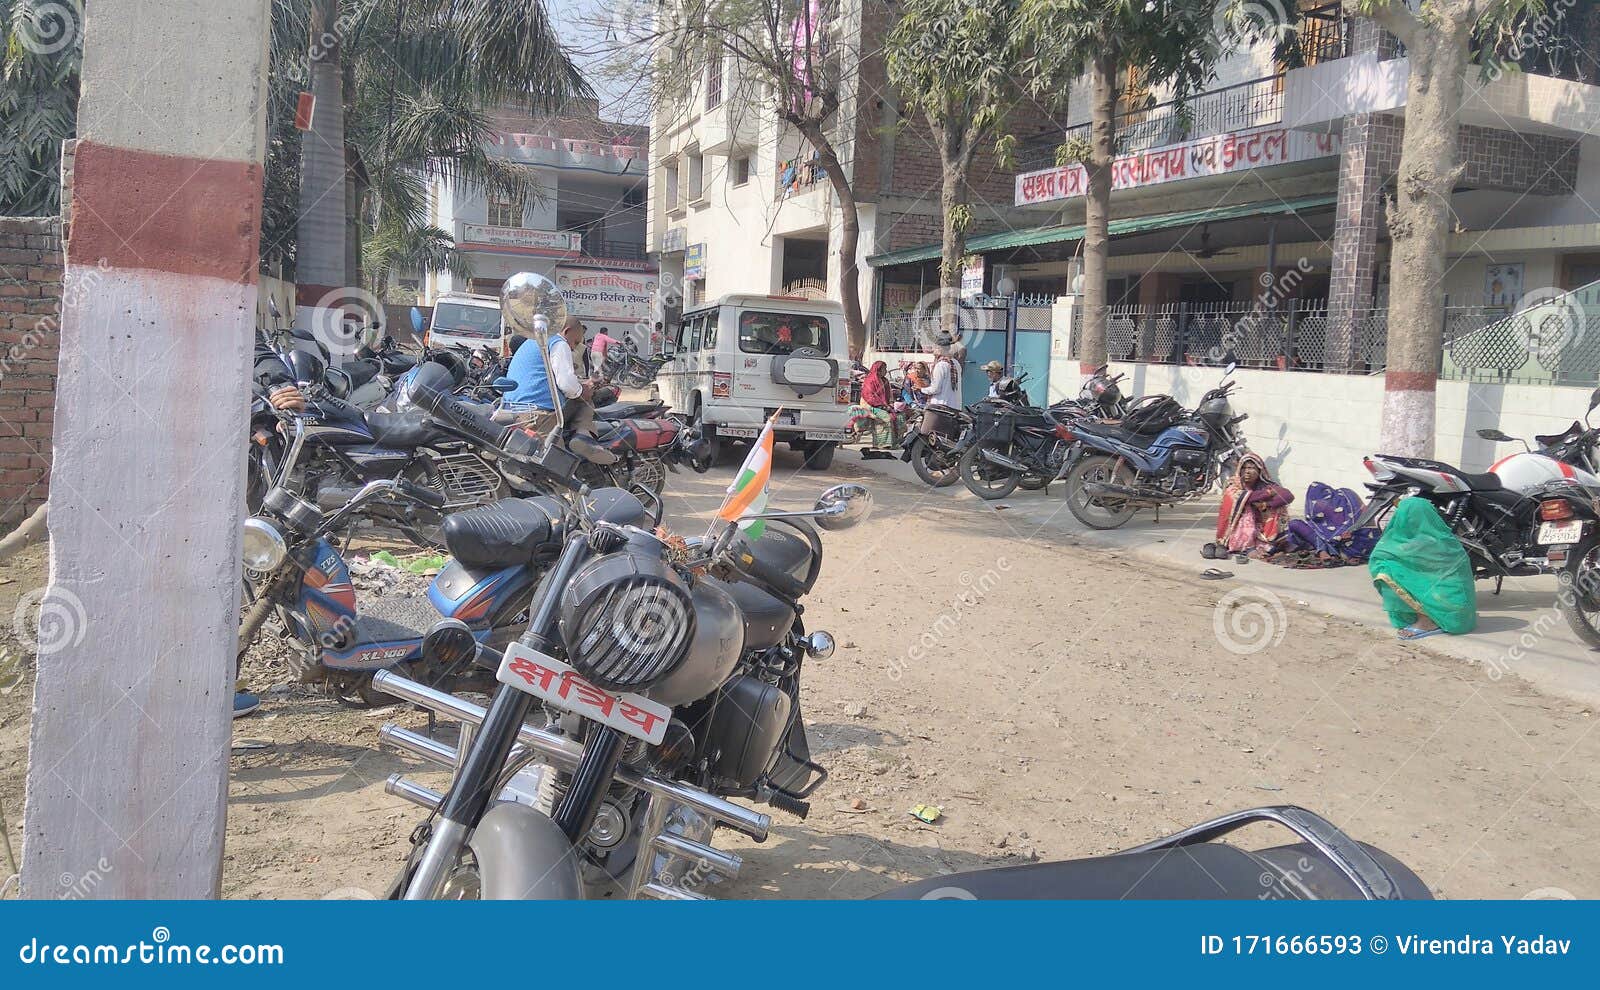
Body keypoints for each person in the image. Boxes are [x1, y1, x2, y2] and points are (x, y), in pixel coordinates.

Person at [502, 314, 593, 432]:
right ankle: (584, 437)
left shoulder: (533, 341)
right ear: (567, 331)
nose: (573, 348)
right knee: (585, 402)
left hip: (511, 411)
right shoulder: (559, 342)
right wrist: (583, 390)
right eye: (575, 342)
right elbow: (567, 385)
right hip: (536, 414)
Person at [1209, 454, 1293, 557]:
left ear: (1259, 470)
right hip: (1236, 528)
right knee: (1244, 504)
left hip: (1259, 524)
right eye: (1243, 468)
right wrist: (1266, 493)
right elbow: (1241, 497)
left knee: (1279, 506)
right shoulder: (1233, 483)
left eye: (1251, 468)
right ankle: (1246, 546)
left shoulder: (1264, 484)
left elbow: (1288, 495)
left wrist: (1266, 504)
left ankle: (1273, 542)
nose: (1247, 471)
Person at [849, 360, 898, 458]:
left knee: (899, 416)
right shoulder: (870, 380)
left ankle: (895, 442)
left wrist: (889, 405)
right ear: (878, 370)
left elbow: (888, 396)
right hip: (869, 406)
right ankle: (881, 443)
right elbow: (869, 397)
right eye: (884, 369)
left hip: (881, 405)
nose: (886, 371)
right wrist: (882, 406)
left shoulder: (885, 381)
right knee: (885, 417)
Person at [921, 333, 961, 408]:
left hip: (941, 407)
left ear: (939, 348)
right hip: (955, 406)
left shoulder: (941, 365)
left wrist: (921, 389)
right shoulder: (956, 363)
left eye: (934, 348)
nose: (933, 350)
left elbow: (936, 389)